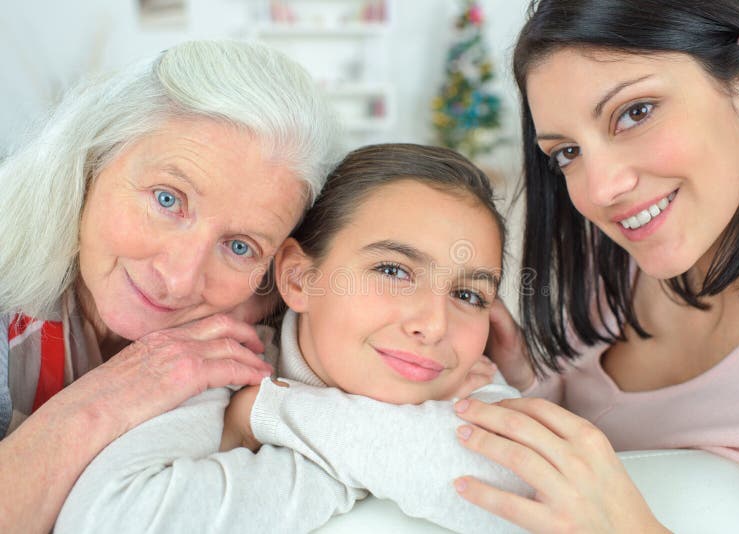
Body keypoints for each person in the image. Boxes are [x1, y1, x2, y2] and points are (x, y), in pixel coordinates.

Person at [448, 0, 739, 531]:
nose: (600, 190)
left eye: (635, 112)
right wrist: (524, 382)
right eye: (567, 152)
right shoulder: (607, 266)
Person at [56, 143, 533, 534]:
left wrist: (273, 416)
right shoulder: (219, 365)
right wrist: (373, 467)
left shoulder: (470, 381)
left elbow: (528, 489)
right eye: (393, 270)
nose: (434, 325)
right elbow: (108, 519)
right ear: (300, 279)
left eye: (469, 295)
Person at [0, 39, 339, 533]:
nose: (179, 279)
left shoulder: (261, 331)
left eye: (240, 247)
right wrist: (108, 399)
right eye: (166, 199)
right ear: (92, 160)